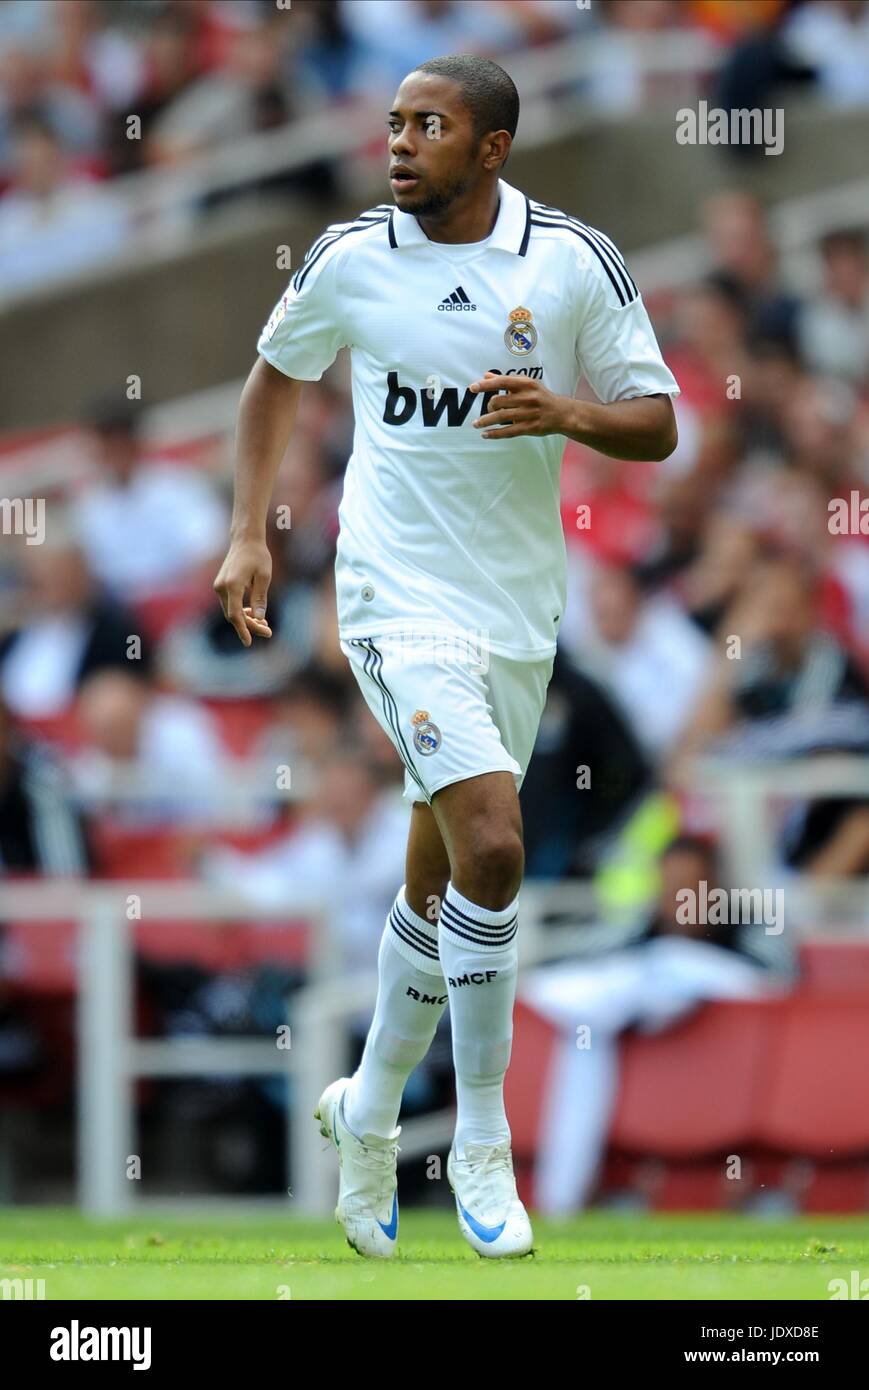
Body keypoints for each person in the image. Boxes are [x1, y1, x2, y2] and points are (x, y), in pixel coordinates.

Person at [213, 54, 679, 1259]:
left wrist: (566, 410)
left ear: (491, 148)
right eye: (394, 122)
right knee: (494, 843)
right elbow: (273, 381)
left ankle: (364, 1109)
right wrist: (248, 534)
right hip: (389, 594)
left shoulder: (571, 258)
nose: (400, 141)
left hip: (514, 613)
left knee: (443, 883)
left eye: (430, 124)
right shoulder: (348, 256)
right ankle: (481, 1139)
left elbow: (656, 417)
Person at [522, 835, 796, 1214]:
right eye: (670, 890)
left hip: (734, 1082)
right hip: (630, 1065)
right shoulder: (641, 928)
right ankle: (564, 1197)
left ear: (715, 888)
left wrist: (692, 971)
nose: (679, 904)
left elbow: (783, 980)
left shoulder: (751, 926)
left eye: (690, 891)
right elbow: (579, 966)